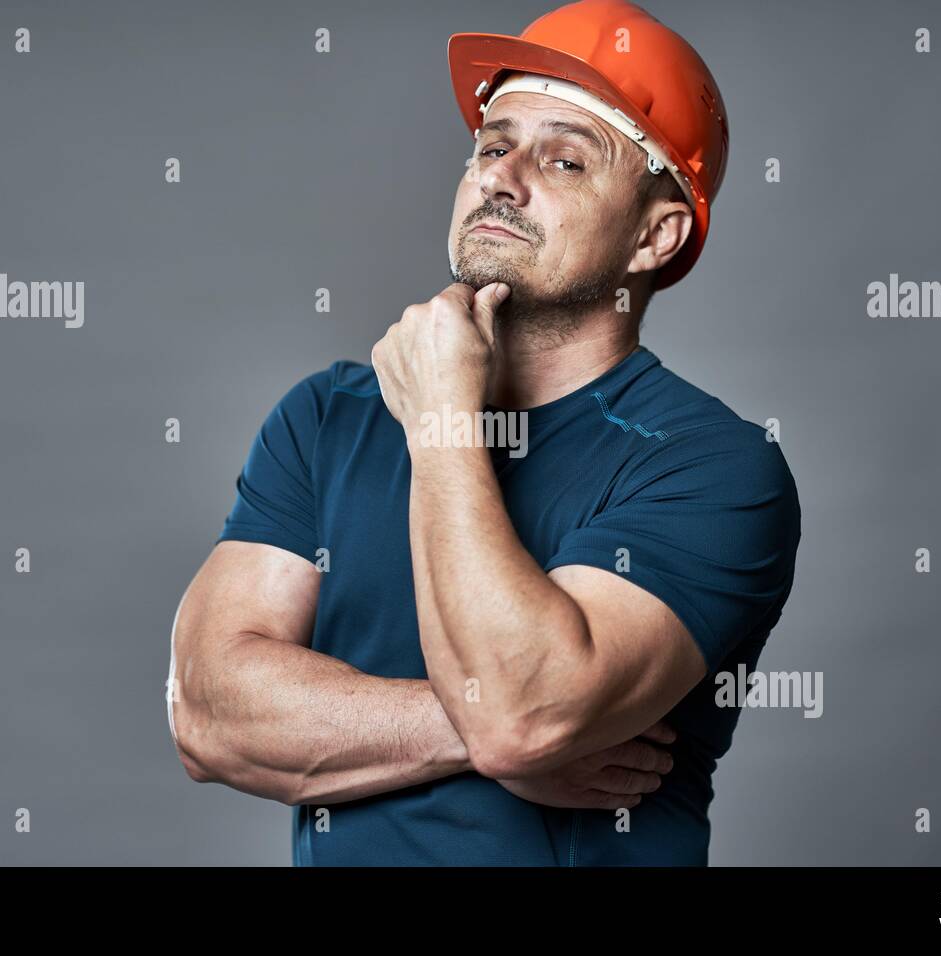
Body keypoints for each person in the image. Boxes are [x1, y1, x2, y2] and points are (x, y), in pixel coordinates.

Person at [168, 0, 801, 866]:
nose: (504, 177)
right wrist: (468, 730)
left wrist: (440, 423)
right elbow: (206, 713)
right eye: (493, 145)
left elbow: (521, 710)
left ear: (655, 236)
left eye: (566, 159)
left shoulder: (715, 466)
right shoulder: (330, 417)